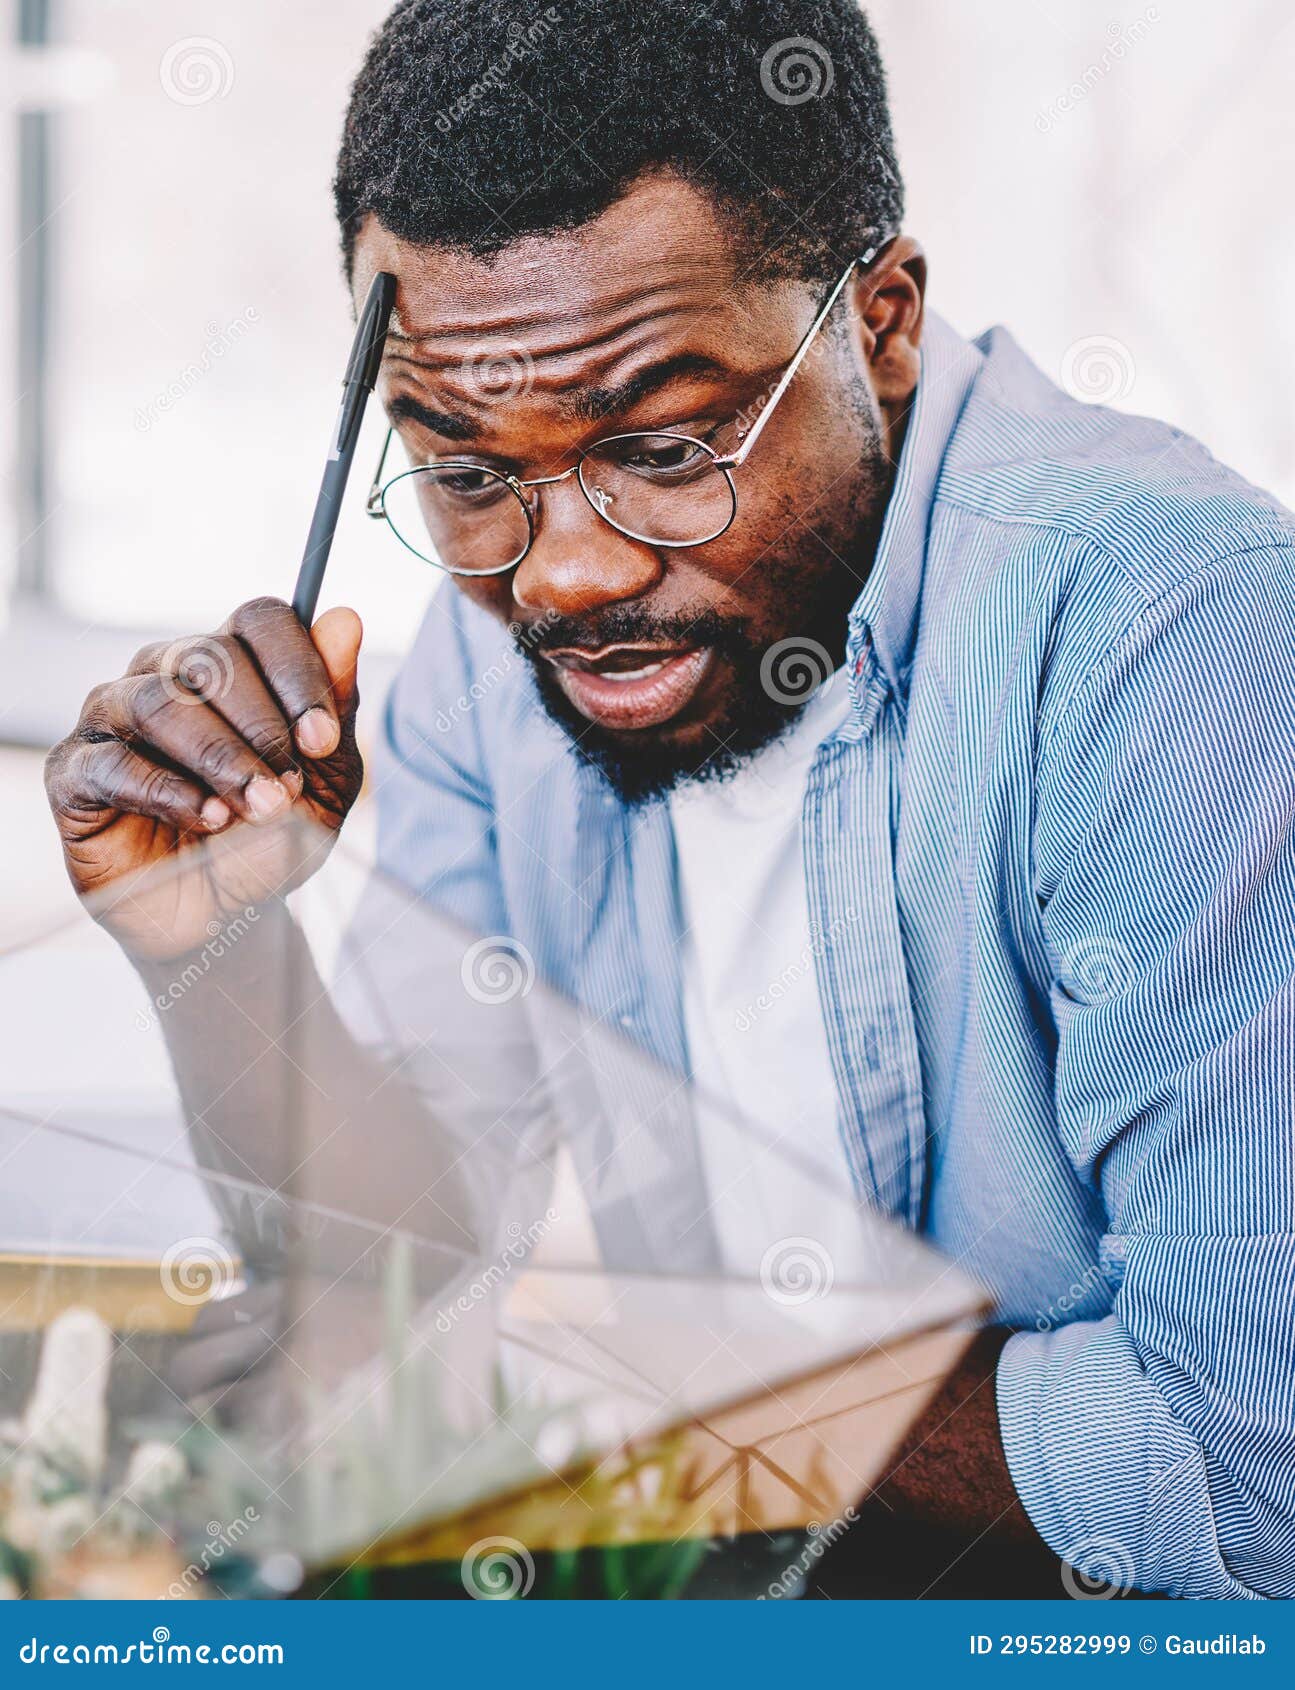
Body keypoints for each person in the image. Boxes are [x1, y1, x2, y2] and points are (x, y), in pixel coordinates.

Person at [43, 0, 1295, 1599]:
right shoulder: (492, 662)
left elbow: (1250, 1473)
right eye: (469, 467)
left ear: (884, 322)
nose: (566, 569)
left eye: (667, 445)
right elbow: (392, 1282)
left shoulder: (1169, 641)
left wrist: (672, 1400)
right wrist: (207, 941)